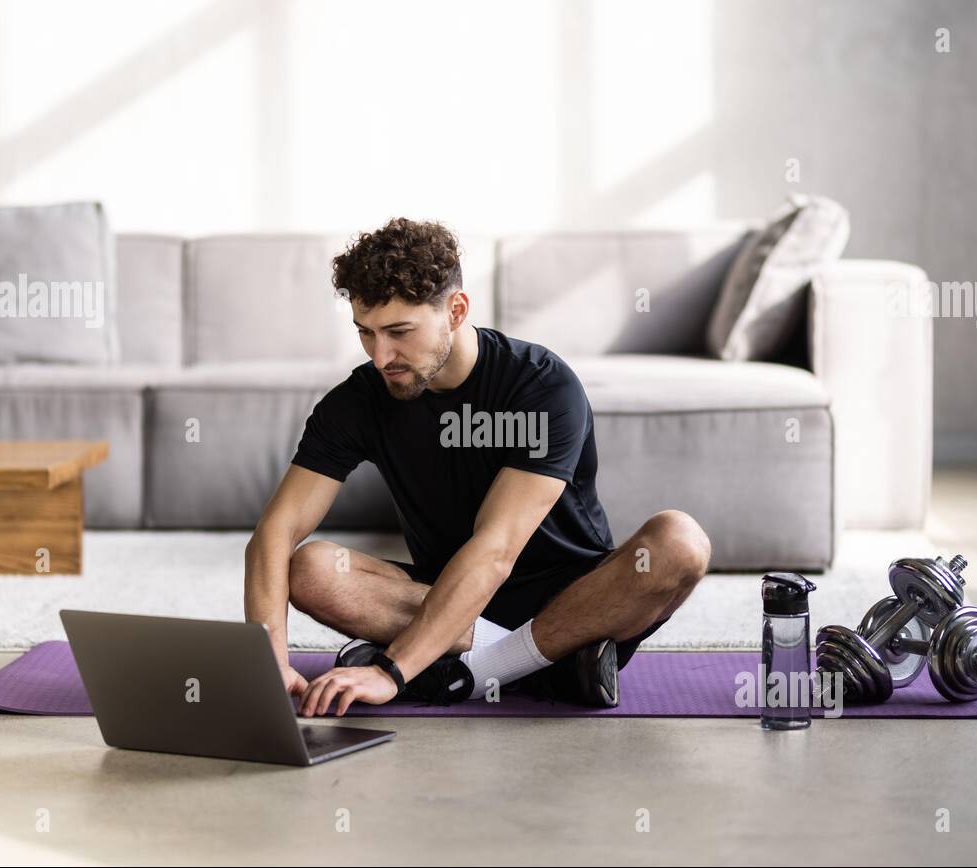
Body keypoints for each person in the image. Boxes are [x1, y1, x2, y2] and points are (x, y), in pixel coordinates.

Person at [244, 218, 711, 716]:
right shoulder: (361, 400)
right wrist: (267, 656)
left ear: (456, 310)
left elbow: (495, 550)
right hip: (444, 598)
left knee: (679, 543)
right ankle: (550, 666)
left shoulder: (540, 386)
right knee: (313, 568)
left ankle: (468, 673)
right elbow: (277, 529)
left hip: (578, 600)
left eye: (399, 332)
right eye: (366, 333)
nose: (381, 357)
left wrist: (391, 670)